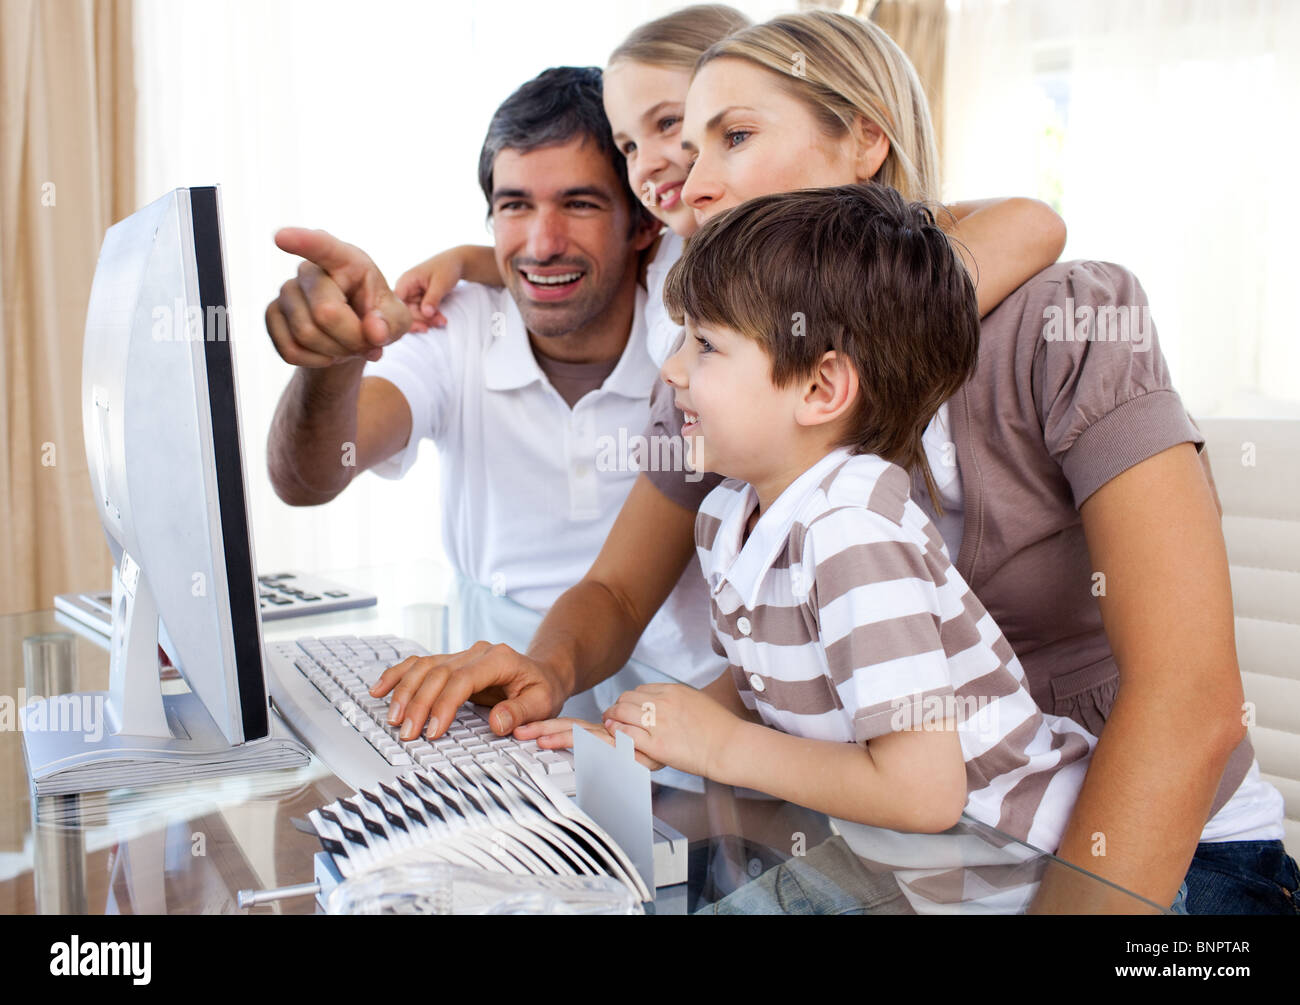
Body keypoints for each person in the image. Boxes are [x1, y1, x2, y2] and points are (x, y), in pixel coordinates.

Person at [371, 9, 1295, 914]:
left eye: (732, 137)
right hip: (913, 860)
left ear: (864, 139)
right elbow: (618, 594)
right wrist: (553, 672)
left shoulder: (1071, 323)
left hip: (1145, 857)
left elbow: (1191, 701)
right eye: (680, 153)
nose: (688, 185)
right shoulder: (718, 378)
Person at [592, 181, 1096, 913]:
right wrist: (639, 734)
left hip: (1011, 876)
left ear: (822, 387)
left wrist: (716, 748)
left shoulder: (850, 528)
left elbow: (924, 791)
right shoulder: (731, 516)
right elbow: (758, 684)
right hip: (901, 867)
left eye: (704, 344)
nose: (672, 371)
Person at [262, 66, 727, 744]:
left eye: (580, 204)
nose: (541, 244)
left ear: (643, 226)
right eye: (514, 206)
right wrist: (334, 363)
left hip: (680, 703)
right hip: (493, 701)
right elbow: (307, 478)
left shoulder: (691, 344)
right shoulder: (456, 327)